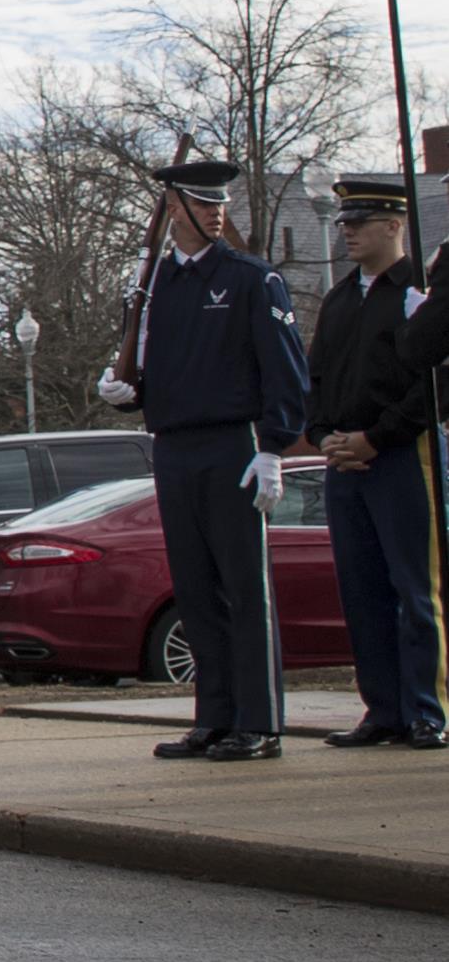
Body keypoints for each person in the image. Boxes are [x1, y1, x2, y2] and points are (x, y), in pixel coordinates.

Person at [97, 157, 308, 761]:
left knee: (244, 586)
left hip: (232, 444)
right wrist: (124, 394)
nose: (217, 214)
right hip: (174, 446)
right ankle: (214, 716)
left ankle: (259, 721)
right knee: (194, 588)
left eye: (220, 205)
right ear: (173, 210)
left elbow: (285, 372)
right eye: (203, 204)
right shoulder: (156, 284)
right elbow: (150, 367)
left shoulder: (250, 278)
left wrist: (273, 448)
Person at [308, 174, 445, 748]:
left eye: (360, 224)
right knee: (361, 592)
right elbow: (316, 378)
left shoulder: (421, 294)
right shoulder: (339, 298)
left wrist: (378, 436)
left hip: (399, 456)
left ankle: (426, 709)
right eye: (344, 225)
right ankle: (381, 708)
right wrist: (323, 438)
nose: (349, 234)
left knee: (416, 588)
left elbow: (434, 382)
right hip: (345, 463)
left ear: (395, 225)